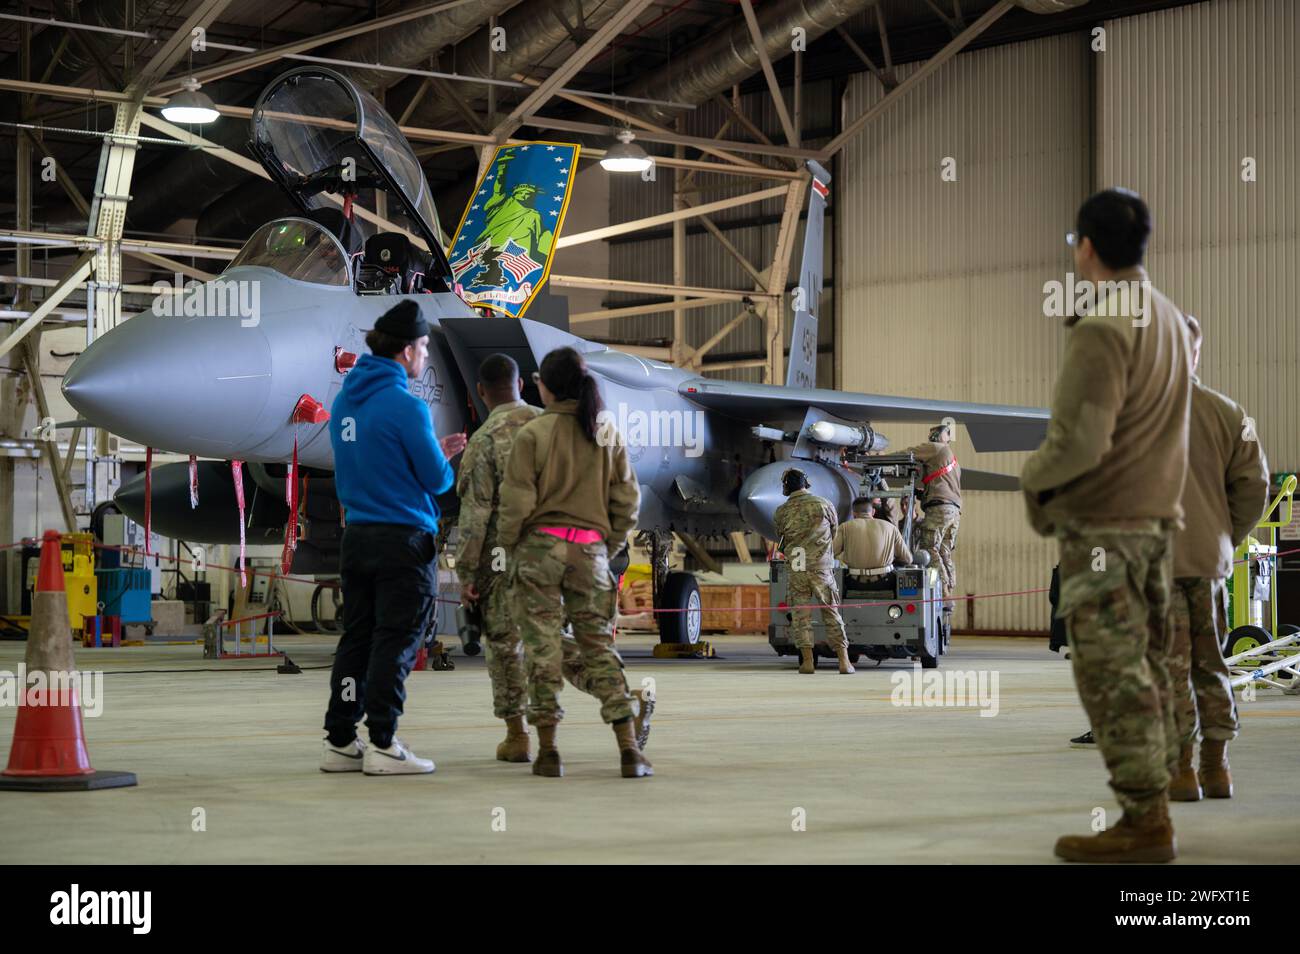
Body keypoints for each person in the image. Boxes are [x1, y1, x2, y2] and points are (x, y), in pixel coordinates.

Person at [1022, 188, 1193, 862]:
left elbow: (1081, 444)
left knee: (1111, 677)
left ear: (1086, 248)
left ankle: (1144, 821)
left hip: (1105, 533)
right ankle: (1158, 800)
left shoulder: (1102, 328)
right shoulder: (1175, 321)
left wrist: (1031, 478)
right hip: (1155, 525)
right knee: (1147, 667)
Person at [455, 354, 653, 763]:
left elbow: (482, 513)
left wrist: (474, 567)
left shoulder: (497, 438)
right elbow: (628, 498)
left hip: (522, 555)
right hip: (589, 553)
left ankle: (526, 740)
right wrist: (607, 545)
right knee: (589, 643)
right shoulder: (582, 425)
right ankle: (624, 725)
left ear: (480, 391)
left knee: (513, 645)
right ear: (523, 386)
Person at [320, 299, 467, 776]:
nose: (425, 356)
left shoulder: (345, 402)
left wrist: (428, 453)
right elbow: (438, 482)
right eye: (424, 347)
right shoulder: (408, 406)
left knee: (357, 639)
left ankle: (342, 738)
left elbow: (373, 460)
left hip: (358, 537)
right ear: (406, 352)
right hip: (403, 542)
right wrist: (440, 457)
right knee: (396, 640)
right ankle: (384, 741)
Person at [1163, 316, 1268, 801]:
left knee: (1170, 667)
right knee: (1212, 663)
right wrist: (1226, 536)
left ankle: (1181, 771)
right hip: (1209, 561)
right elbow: (1255, 486)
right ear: (1198, 354)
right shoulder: (1230, 413)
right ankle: (1217, 768)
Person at [774, 468, 853, 675]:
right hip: (821, 569)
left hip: (797, 569)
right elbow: (834, 531)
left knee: (801, 617)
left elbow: (781, 537)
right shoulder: (823, 504)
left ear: (785, 487)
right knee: (831, 612)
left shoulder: (781, 511)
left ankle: (807, 662)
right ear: (806, 483)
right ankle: (844, 662)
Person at [906, 424, 961, 597]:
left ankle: (943, 590)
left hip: (939, 509)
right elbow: (942, 484)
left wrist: (881, 457)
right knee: (944, 552)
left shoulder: (936, 449)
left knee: (928, 548)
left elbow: (909, 453)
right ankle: (950, 590)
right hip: (953, 511)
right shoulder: (951, 458)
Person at [833, 496, 913, 577]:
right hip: (883, 582)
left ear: (853, 513)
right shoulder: (891, 528)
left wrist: (844, 556)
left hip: (854, 583)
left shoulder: (844, 527)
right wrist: (890, 558)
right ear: (873, 512)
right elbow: (907, 559)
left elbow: (829, 553)